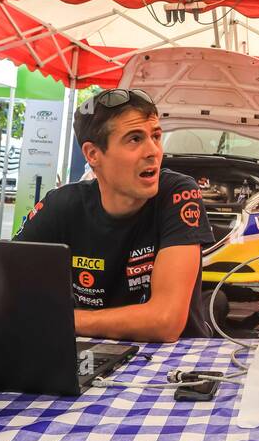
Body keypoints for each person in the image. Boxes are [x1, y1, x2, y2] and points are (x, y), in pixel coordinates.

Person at [14, 88, 214, 342]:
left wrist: (62, 318)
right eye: (135, 139)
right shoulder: (62, 204)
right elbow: (7, 285)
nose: (153, 151)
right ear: (93, 154)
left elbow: (166, 321)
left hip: (174, 366)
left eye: (156, 136)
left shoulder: (177, 192)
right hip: (87, 356)